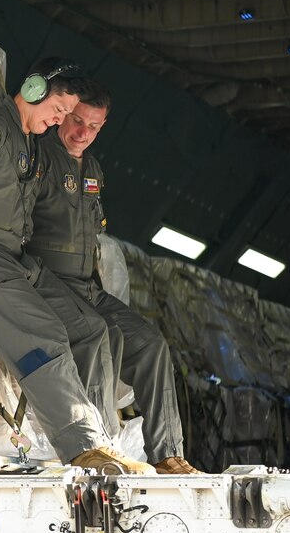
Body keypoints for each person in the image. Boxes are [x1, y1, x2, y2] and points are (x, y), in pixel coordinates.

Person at [0, 57, 155, 474]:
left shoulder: (29, 142)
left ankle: (103, 439)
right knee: (45, 333)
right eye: (61, 110)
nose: (61, 120)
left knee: (89, 328)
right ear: (33, 90)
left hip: (14, 255)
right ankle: (81, 447)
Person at [25, 79, 201, 474]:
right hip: (48, 279)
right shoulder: (37, 158)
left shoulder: (94, 169)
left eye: (94, 126)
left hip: (86, 284)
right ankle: (100, 447)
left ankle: (168, 453)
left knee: (151, 344)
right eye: (77, 121)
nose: (82, 132)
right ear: (62, 115)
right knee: (99, 334)